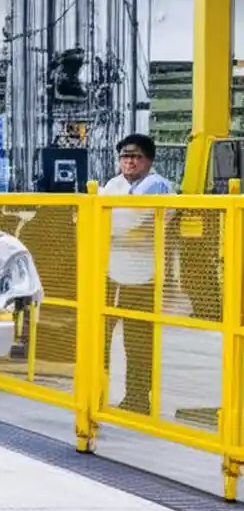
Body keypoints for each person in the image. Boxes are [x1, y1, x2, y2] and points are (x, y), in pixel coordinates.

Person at [101, 133, 173, 414]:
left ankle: (138, 398)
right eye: (124, 156)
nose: (129, 162)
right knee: (100, 337)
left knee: (139, 342)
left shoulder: (158, 186)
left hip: (143, 278)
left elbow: (128, 223)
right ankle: (97, 390)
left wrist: (117, 222)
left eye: (135, 156)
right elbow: (105, 222)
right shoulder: (113, 185)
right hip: (110, 273)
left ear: (149, 160)